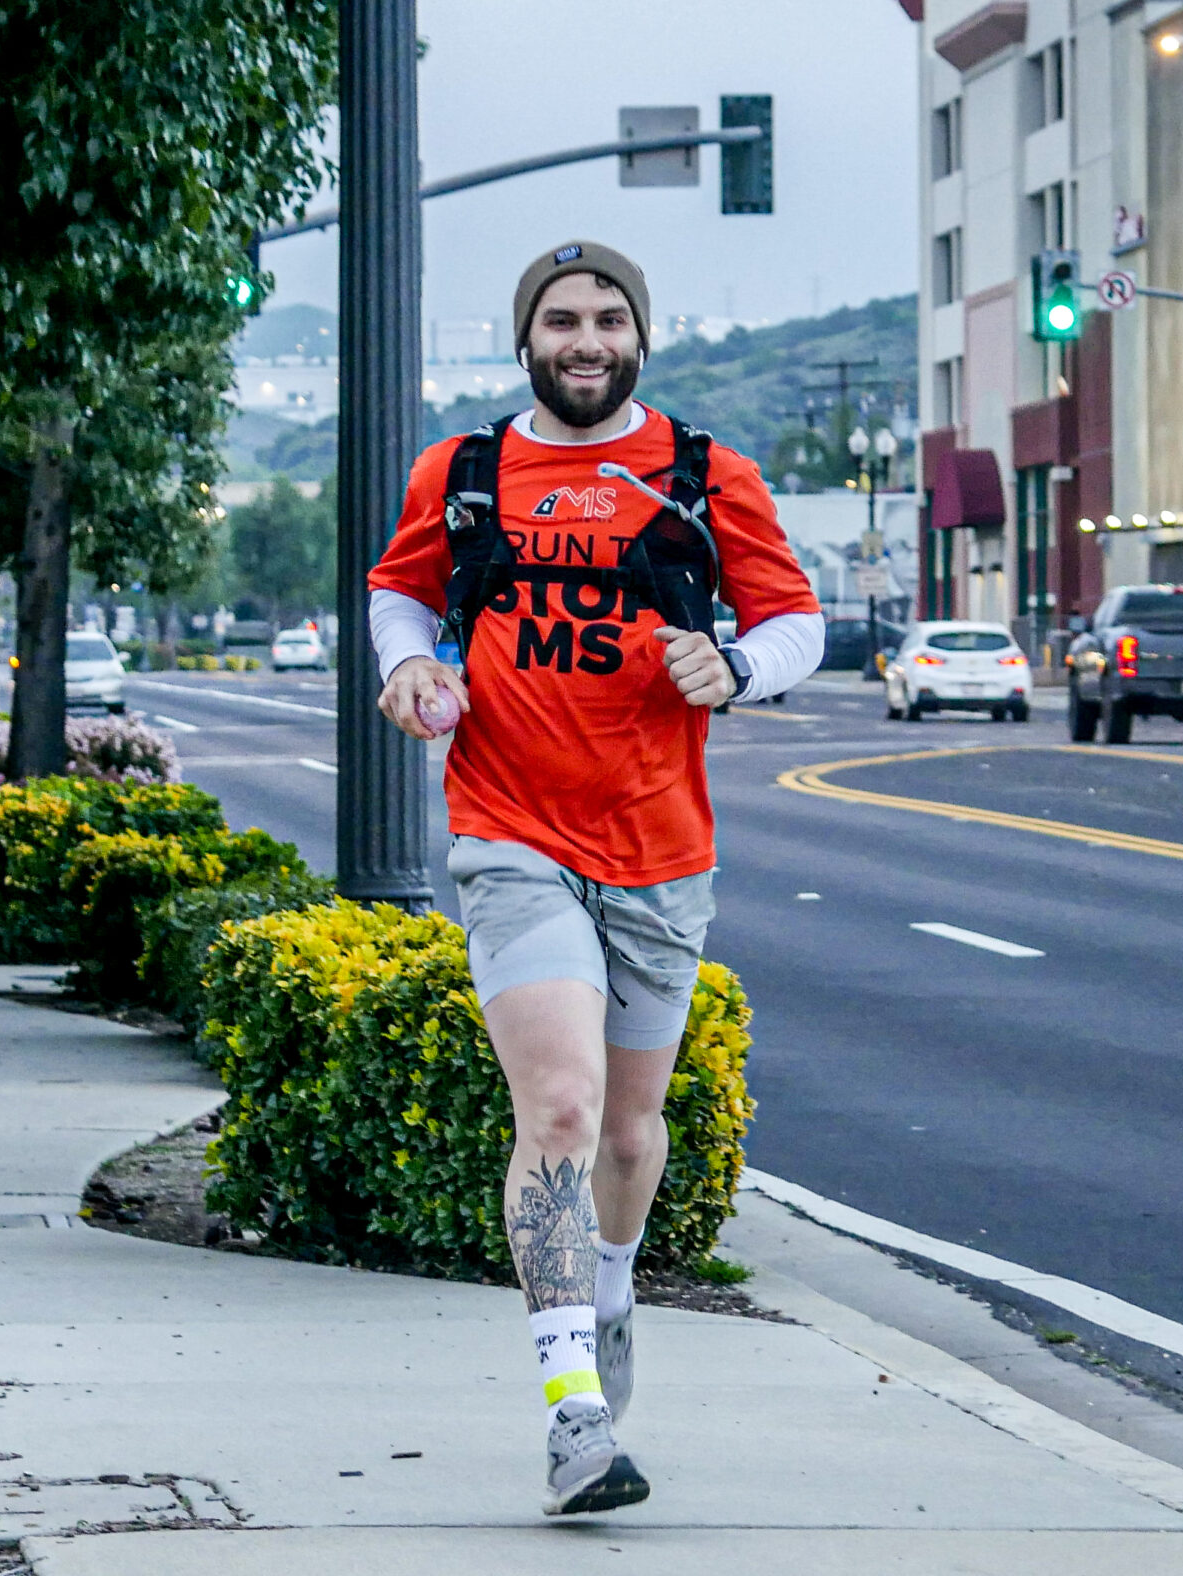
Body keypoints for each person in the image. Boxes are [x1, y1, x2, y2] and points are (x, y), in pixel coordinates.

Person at [368, 241, 824, 1516]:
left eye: (605, 318)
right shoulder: (463, 473)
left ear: (637, 337)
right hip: (511, 830)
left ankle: (610, 1284)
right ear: (526, 340)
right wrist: (407, 669)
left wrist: (734, 667)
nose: (583, 338)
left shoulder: (699, 472)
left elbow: (795, 619)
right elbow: (397, 596)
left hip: (661, 848)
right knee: (559, 1111)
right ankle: (572, 1408)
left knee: (628, 1133)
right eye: (559, 319)